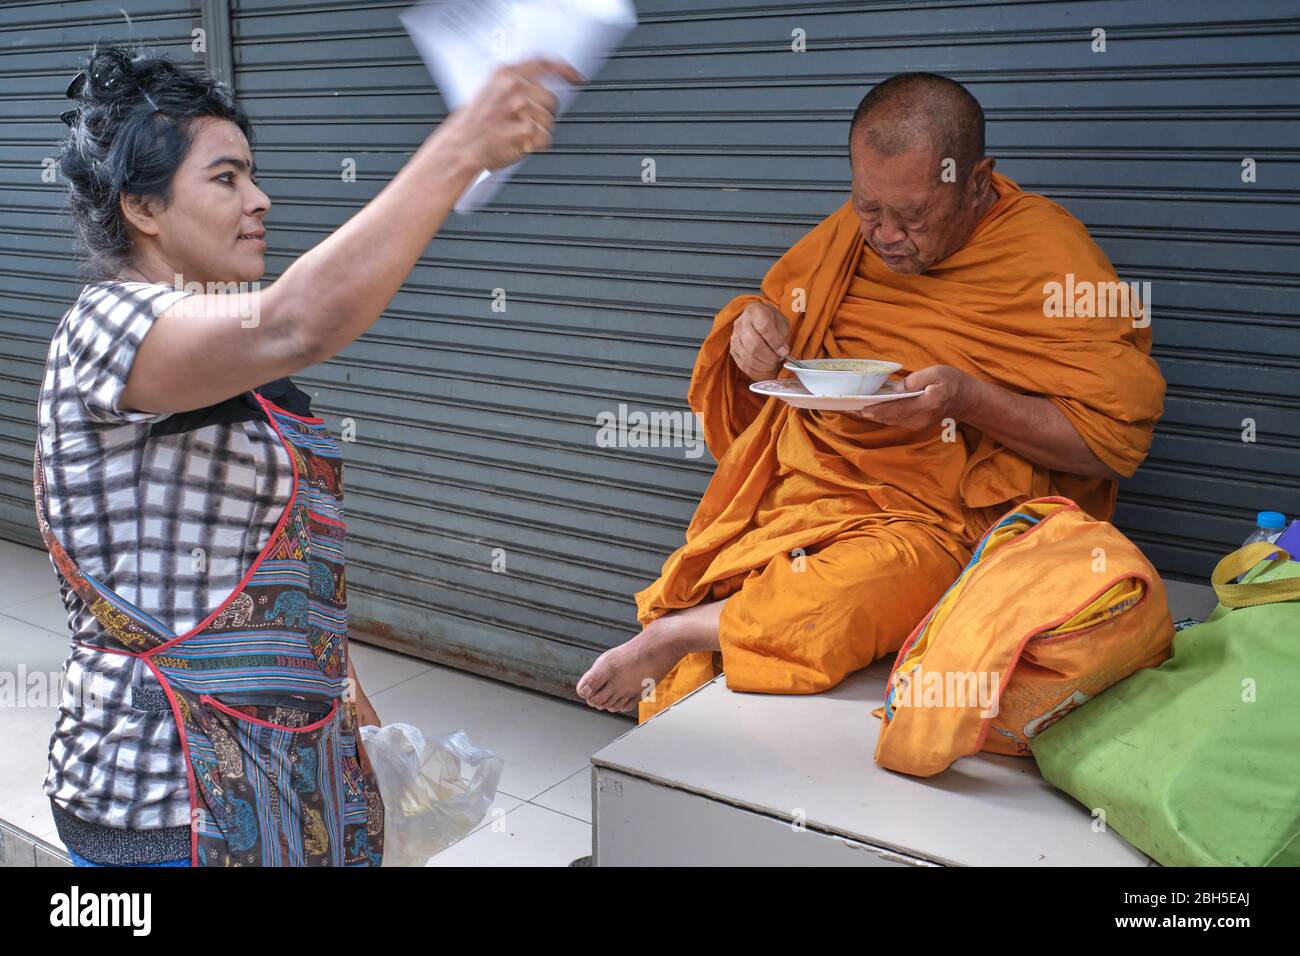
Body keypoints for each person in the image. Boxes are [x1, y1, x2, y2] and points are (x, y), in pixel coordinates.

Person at [39, 41, 581, 866]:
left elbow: (272, 557)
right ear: (142, 208)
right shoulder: (105, 325)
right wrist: (461, 147)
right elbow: (300, 319)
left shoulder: (236, 361)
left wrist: (349, 692)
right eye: (226, 178)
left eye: (252, 174)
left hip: (290, 782)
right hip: (164, 806)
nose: (260, 200)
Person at [575, 72, 1167, 721]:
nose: (884, 235)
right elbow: (785, 317)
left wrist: (967, 401)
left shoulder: (1048, 258)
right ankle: (720, 633)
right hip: (807, 483)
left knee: (855, 593)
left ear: (975, 182)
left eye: (912, 217)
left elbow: (1112, 444)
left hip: (936, 522)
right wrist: (754, 327)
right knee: (747, 563)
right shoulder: (849, 238)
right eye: (868, 208)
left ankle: (678, 634)